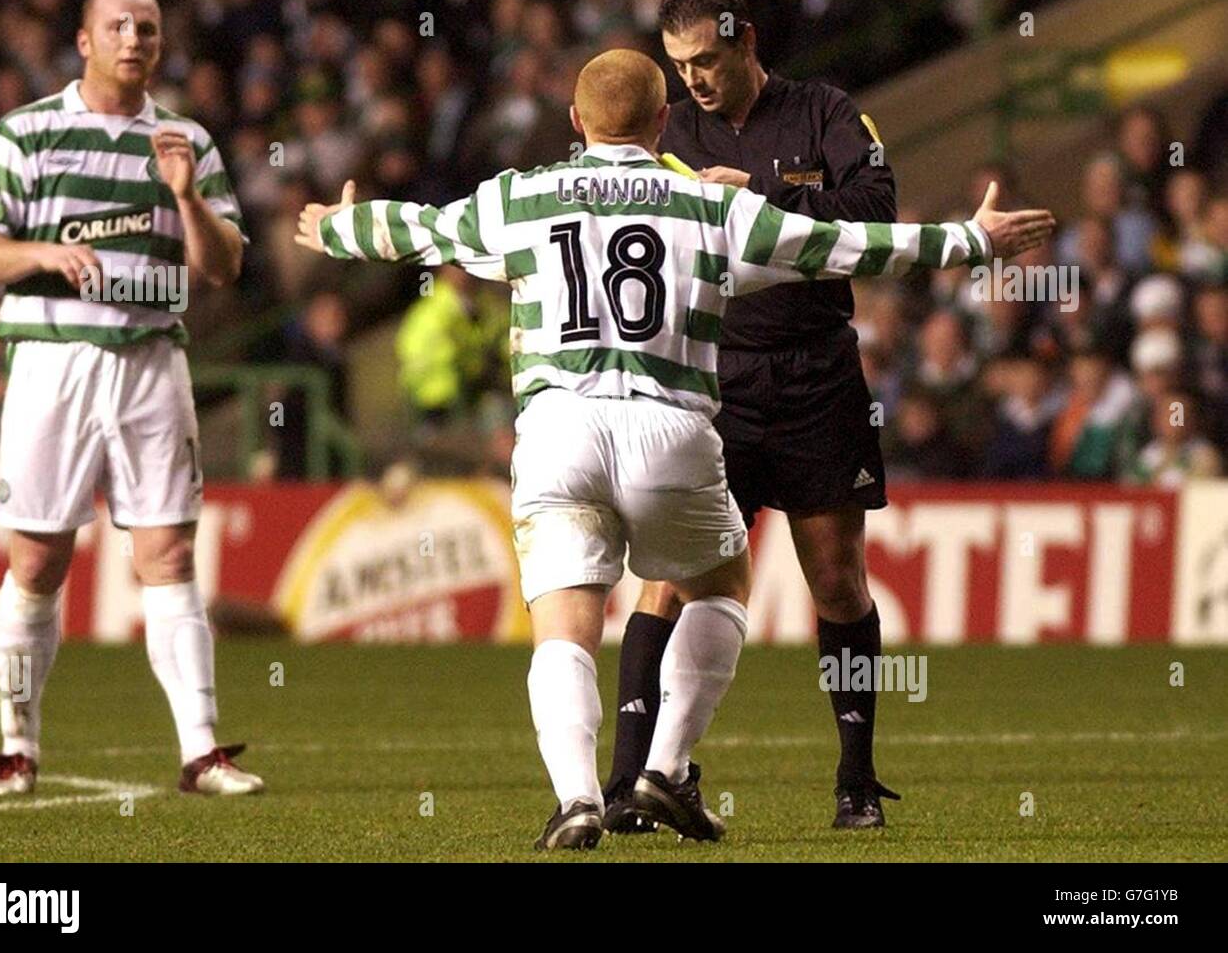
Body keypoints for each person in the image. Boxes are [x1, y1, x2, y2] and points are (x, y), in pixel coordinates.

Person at [294, 48, 1053, 850]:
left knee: (566, 627)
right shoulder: (705, 204)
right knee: (722, 581)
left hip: (560, 432)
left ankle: (578, 798)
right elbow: (849, 246)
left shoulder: (518, 199)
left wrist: (339, 225)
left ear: (576, 122)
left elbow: (420, 230)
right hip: (673, 433)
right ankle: (664, 766)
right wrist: (972, 240)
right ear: (663, 125)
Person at [605, 0, 904, 832]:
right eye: (677, 65)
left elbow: (879, 211)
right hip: (713, 381)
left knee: (837, 580)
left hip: (816, 376)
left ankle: (855, 781)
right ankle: (630, 784)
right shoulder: (666, 128)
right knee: (667, 583)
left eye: (703, 59)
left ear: (742, 38)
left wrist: (768, 201)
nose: (692, 79)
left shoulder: (826, 112)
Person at [0, 0, 263, 796]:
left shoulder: (185, 138)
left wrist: (188, 199)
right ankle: (17, 747)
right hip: (53, 362)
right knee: (38, 558)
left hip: (151, 357)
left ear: (160, 47)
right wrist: (43, 256)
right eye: (117, 26)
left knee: (166, 553)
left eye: (148, 29)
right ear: (84, 41)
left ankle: (201, 751)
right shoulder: (26, 132)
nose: (134, 37)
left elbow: (225, 267)